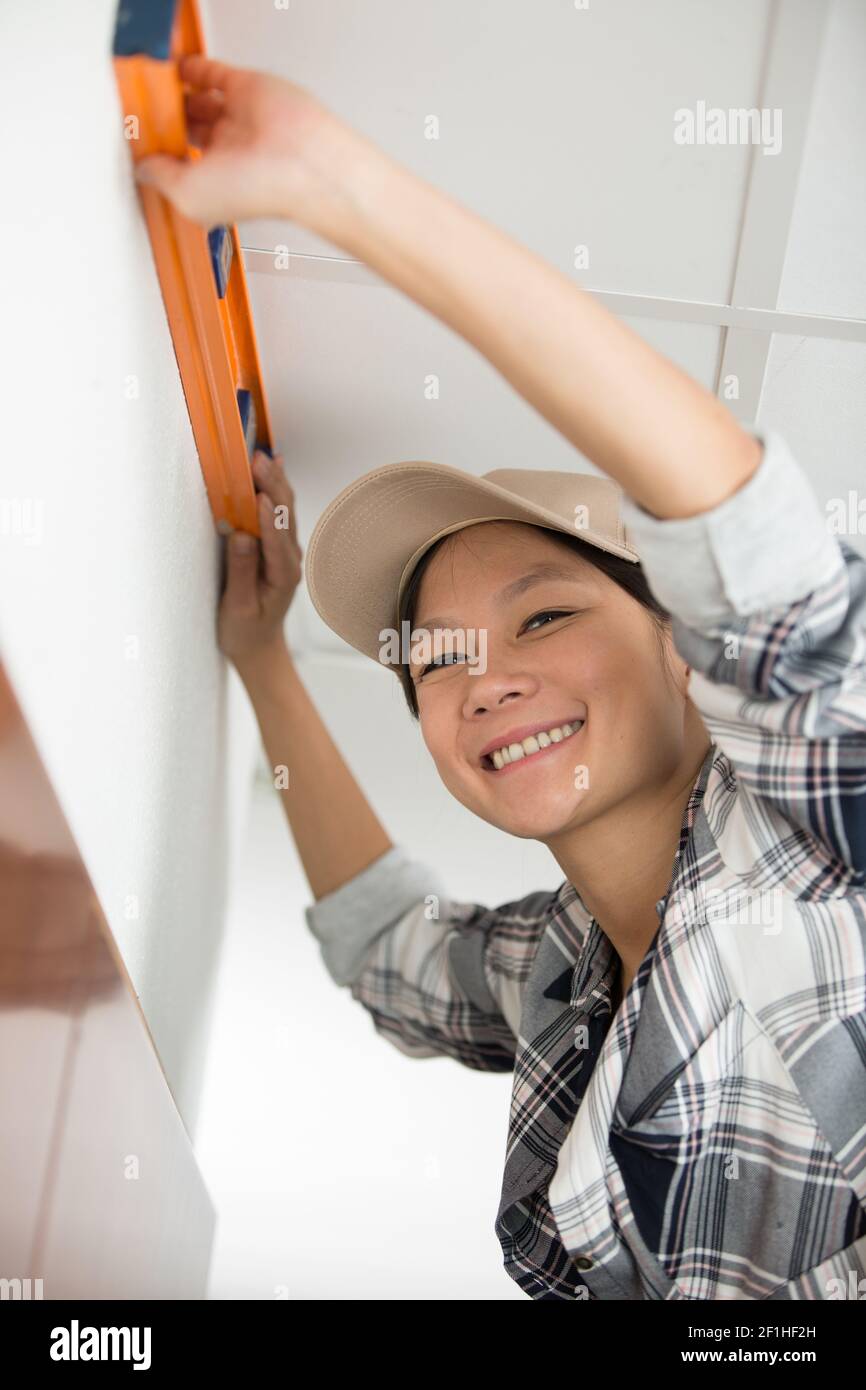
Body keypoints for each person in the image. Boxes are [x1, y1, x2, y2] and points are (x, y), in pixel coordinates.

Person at [138, 57, 866, 1300]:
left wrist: (339, 191)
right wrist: (262, 659)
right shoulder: (548, 980)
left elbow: (751, 549)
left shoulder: (816, 845)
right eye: (438, 655)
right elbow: (383, 947)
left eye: (544, 615)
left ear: (683, 655)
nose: (481, 680)